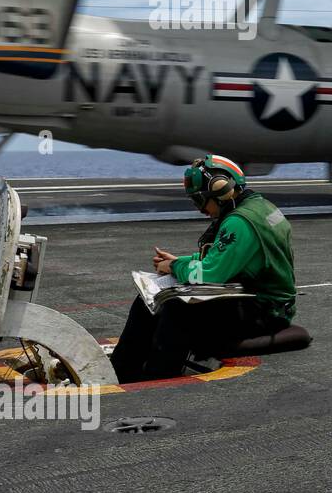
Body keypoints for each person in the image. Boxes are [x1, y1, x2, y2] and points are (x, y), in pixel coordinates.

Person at [109, 154, 299, 382]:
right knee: (149, 302)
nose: (200, 209)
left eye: (200, 200)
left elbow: (209, 274)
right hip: (266, 302)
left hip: (265, 313)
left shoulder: (240, 222)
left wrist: (175, 265)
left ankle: (156, 377)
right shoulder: (259, 207)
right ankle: (124, 371)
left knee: (175, 309)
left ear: (221, 190)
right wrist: (178, 261)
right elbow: (227, 255)